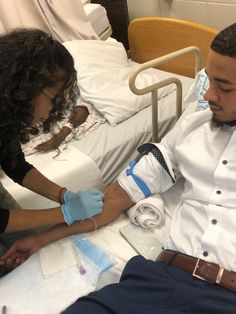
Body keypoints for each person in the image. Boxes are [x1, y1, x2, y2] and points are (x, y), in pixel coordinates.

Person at [2, 22, 236, 313]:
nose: (208, 96)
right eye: (208, 81)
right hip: (156, 280)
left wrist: (62, 199)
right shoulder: (191, 129)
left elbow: (13, 162)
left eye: (223, 86)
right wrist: (45, 235)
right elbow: (117, 196)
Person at [0, 28, 103, 264]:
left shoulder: (6, 116)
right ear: (24, 87)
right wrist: (65, 214)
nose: (51, 112)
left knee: (24, 245)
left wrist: (63, 195)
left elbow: (14, 164)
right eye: (54, 99)